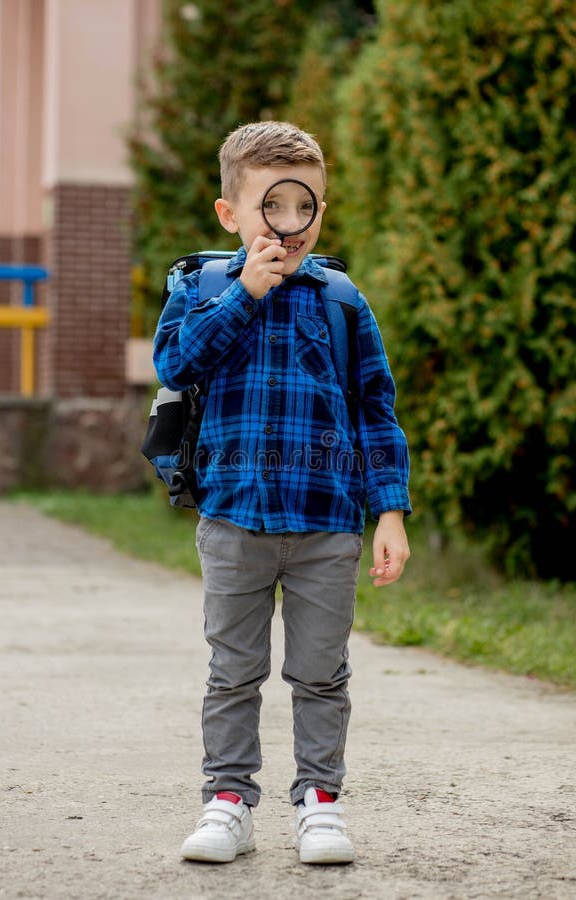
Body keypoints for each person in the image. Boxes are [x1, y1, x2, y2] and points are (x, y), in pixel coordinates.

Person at [153, 121, 411, 865]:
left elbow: (375, 409)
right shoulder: (200, 290)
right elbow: (177, 360)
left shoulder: (340, 299)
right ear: (230, 213)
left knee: (322, 673)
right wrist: (244, 293)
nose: (290, 224)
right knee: (233, 671)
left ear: (320, 211)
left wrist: (388, 509)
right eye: (272, 205)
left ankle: (319, 804)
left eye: (307, 206)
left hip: (327, 524)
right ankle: (227, 801)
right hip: (233, 517)